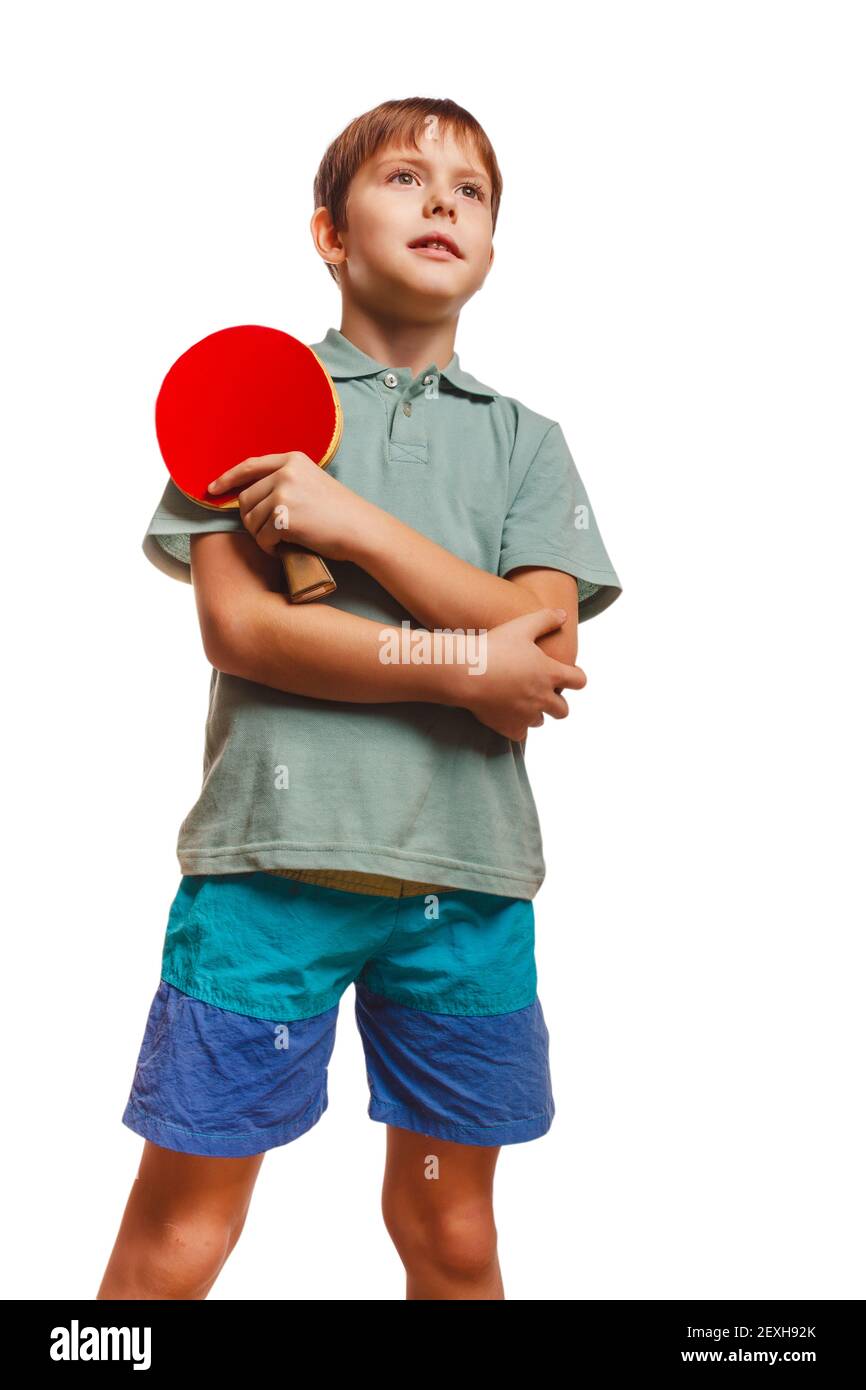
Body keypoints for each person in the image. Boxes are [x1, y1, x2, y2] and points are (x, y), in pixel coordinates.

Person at [99, 95, 622, 1301]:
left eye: (471, 190)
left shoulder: (527, 443)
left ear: (491, 245)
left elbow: (535, 644)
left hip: (465, 886)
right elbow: (242, 631)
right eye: (404, 178)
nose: (441, 201)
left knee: (451, 1238)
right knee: (178, 1240)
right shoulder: (245, 401)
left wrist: (349, 525)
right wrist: (461, 667)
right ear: (330, 234)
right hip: (266, 880)